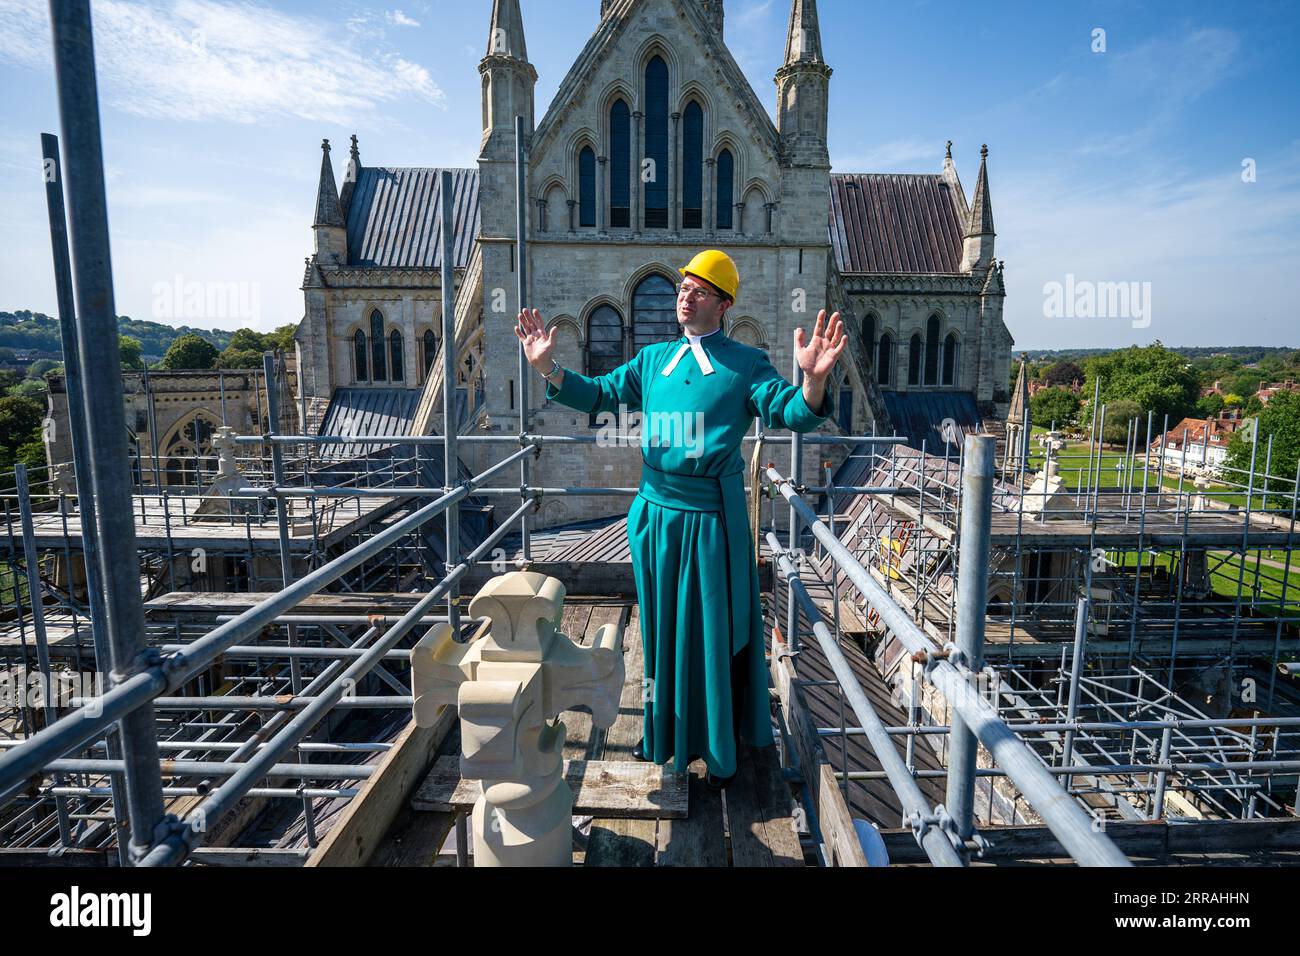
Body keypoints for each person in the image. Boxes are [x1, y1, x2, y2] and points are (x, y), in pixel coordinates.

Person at [515, 250, 846, 790]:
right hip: (652, 515)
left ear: (723, 304)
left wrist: (812, 383)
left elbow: (790, 411)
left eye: (699, 290)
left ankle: (717, 744)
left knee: (713, 630)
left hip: (710, 521)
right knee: (662, 627)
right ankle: (667, 733)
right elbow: (598, 396)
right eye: (682, 288)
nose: (684, 295)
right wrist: (547, 367)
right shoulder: (652, 360)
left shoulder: (746, 363)